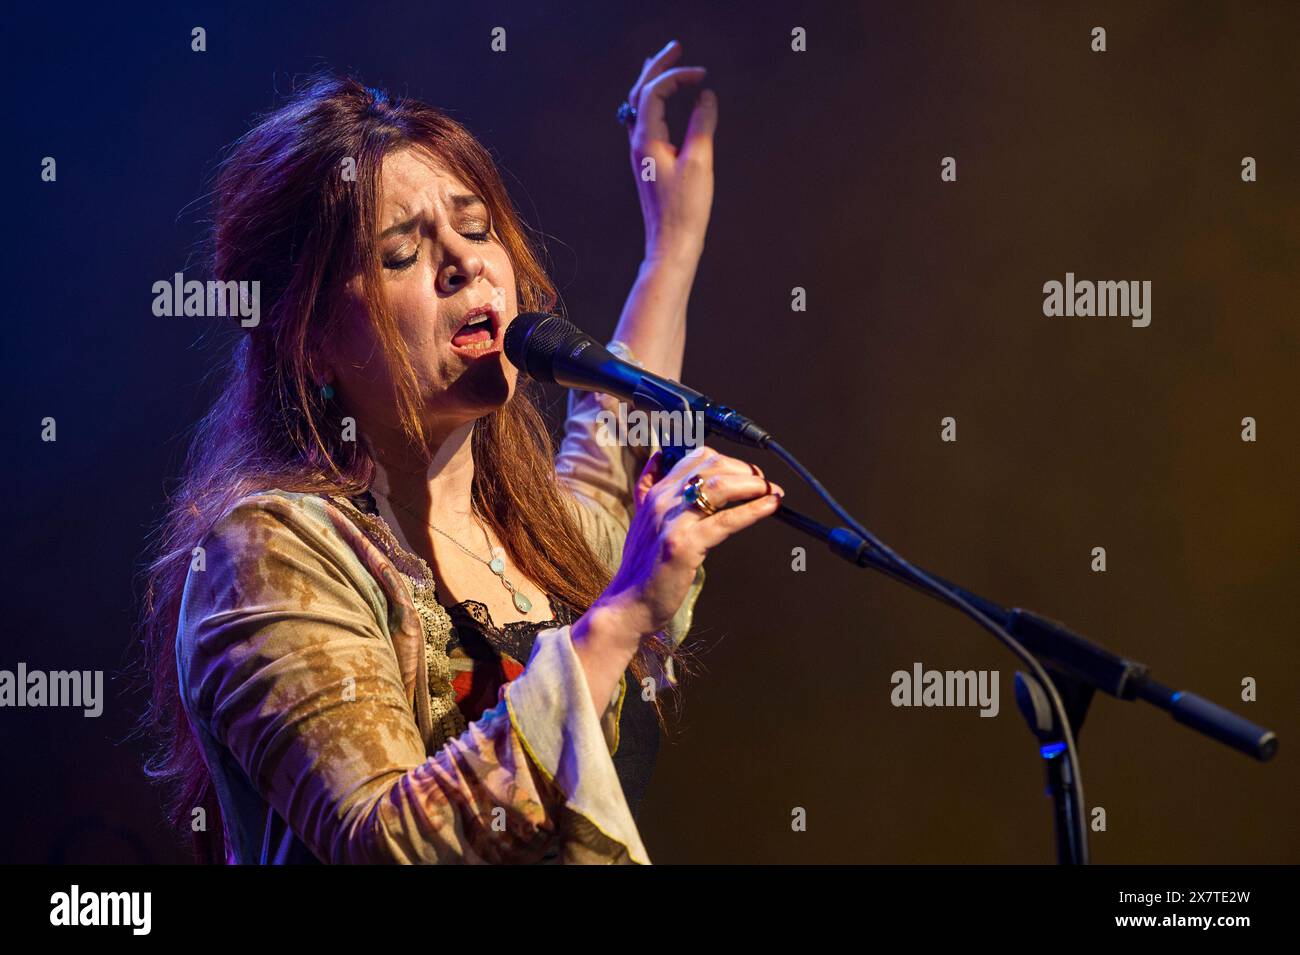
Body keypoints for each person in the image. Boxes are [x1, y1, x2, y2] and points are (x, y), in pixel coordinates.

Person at [139, 41, 783, 864]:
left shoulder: (538, 540)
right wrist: (618, 620)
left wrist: (673, 245)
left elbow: (604, 449)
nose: (466, 261)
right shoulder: (265, 554)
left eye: (476, 227)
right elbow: (387, 844)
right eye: (401, 253)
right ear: (310, 342)